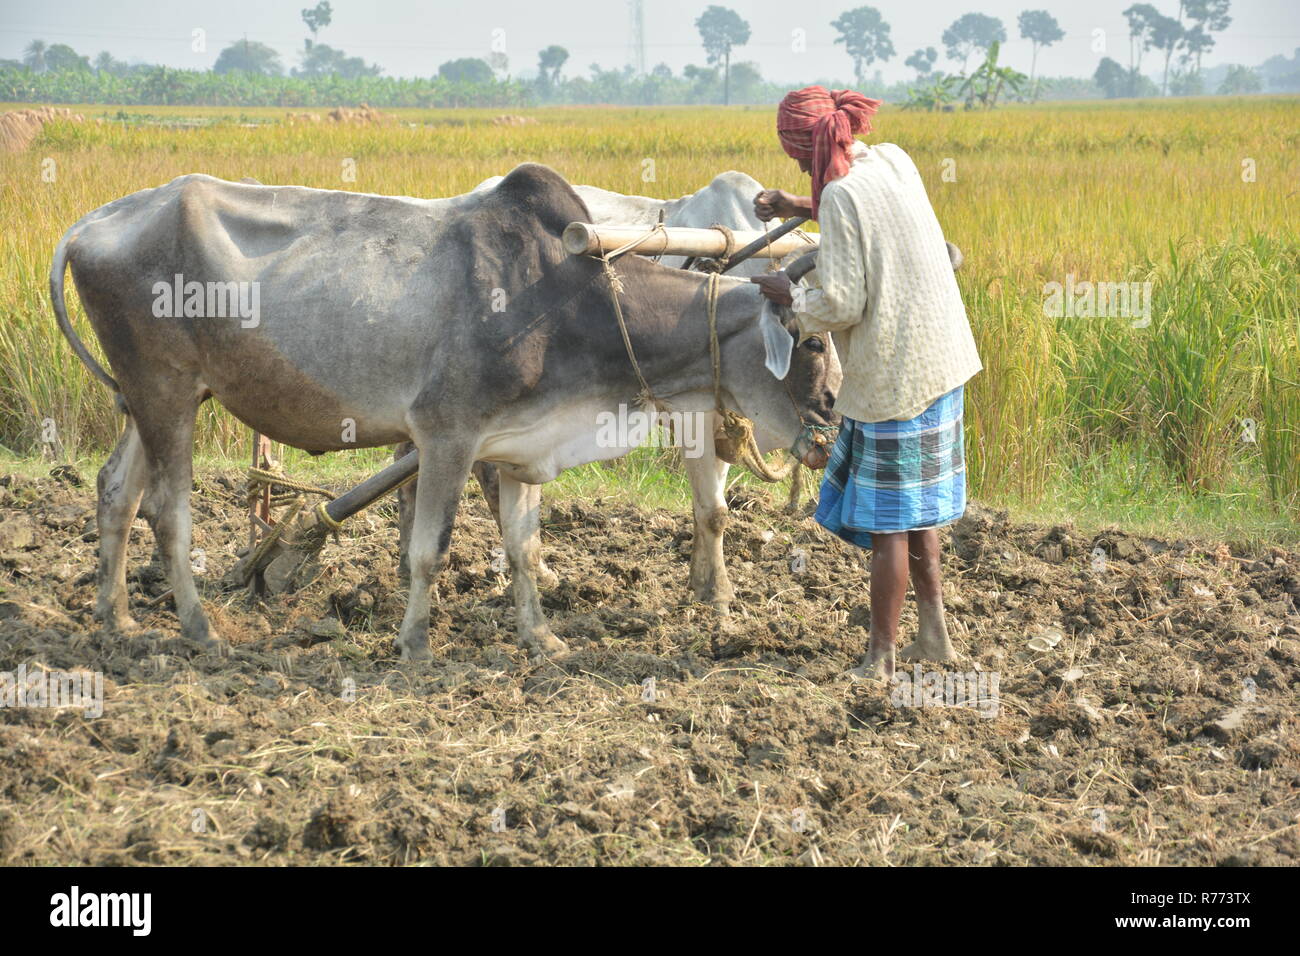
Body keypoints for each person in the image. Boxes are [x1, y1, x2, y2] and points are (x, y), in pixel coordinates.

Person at [751, 86, 982, 681]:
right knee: (917, 515)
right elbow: (856, 207)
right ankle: (934, 639)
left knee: (887, 526)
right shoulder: (892, 159)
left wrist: (792, 298)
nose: (801, 168)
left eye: (799, 160)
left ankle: (879, 658)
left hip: (896, 379)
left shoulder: (844, 197)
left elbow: (843, 304)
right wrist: (798, 205)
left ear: (806, 146)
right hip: (943, 360)